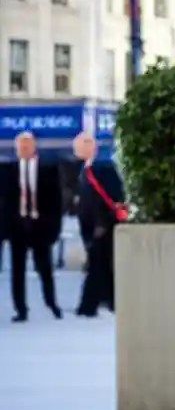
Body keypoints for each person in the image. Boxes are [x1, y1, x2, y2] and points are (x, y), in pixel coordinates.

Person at [4, 132, 63, 322]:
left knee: (45, 268)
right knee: (17, 270)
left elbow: (56, 202)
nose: (23, 150)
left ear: (34, 147)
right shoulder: (7, 170)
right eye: (20, 147)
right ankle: (21, 309)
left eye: (26, 146)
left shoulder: (48, 169)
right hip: (17, 226)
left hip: (40, 225)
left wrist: (53, 227)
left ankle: (52, 303)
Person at [72, 133, 124, 317]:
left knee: (97, 265)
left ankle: (88, 306)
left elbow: (115, 196)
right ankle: (111, 301)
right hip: (91, 226)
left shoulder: (103, 168)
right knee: (102, 265)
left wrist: (102, 221)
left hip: (103, 225)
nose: (78, 149)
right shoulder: (84, 169)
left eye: (83, 144)